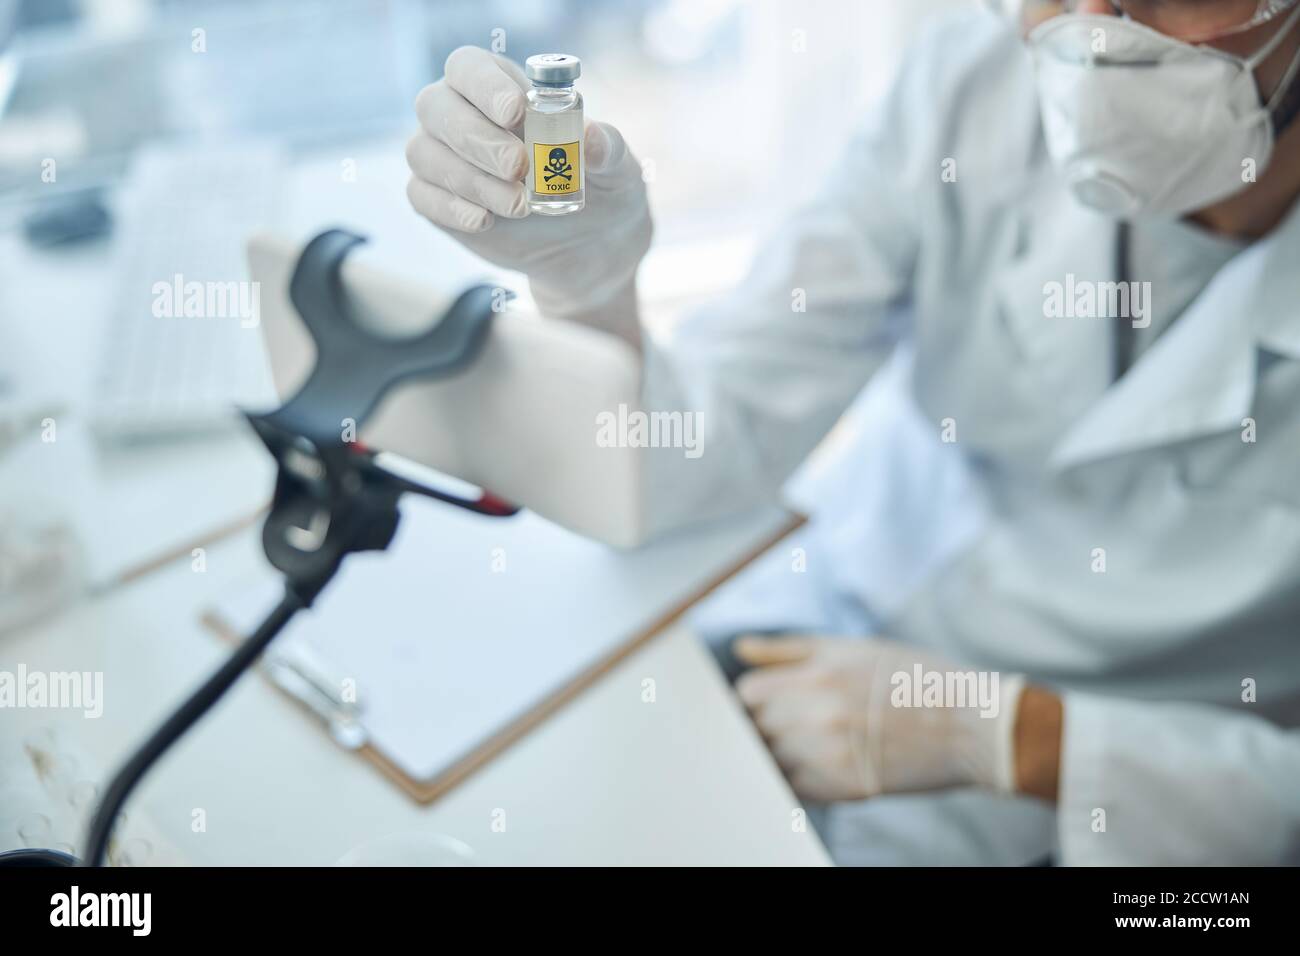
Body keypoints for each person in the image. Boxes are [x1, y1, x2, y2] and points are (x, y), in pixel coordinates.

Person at [405, 0, 1300, 864]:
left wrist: (1022, 738)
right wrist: (590, 283)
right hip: (807, 626)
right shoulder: (968, 84)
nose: (1091, 35)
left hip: (1080, 792)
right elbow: (697, 450)